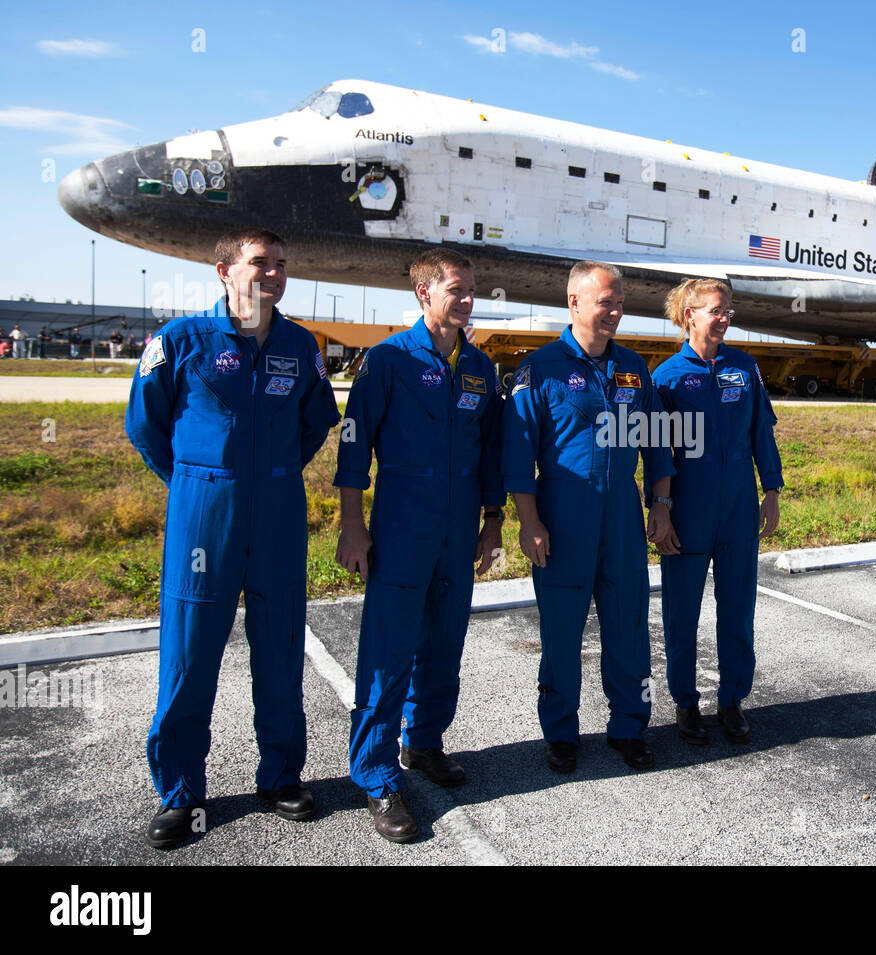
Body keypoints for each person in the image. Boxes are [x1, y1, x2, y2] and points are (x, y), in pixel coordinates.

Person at [125, 227, 340, 850]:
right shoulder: (179, 340)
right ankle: (180, 793)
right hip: (203, 509)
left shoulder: (301, 345)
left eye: (279, 264)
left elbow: (314, 426)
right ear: (224, 271)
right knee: (191, 655)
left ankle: (280, 777)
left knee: (278, 649)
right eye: (257, 263)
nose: (271, 273)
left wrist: (266, 477)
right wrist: (199, 482)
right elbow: (146, 425)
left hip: (276, 507)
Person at [334, 249, 504, 844]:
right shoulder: (386, 361)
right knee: (389, 649)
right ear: (424, 293)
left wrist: (492, 521)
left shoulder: (481, 367)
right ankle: (377, 774)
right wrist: (352, 525)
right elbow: (354, 448)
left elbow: (489, 453)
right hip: (403, 523)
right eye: (455, 289)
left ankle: (425, 742)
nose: (466, 300)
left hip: (459, 528)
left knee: (445, 642)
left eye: (470, 291)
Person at [502, 262, 676, 774]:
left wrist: (660, 504)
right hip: (563, 513)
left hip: (621, 513)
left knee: (628, 626)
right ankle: (561, 732)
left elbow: (656, 443)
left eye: (620, 301)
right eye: (606, 301)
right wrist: (529, 521)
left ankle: (629, 726)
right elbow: (518, 456)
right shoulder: (540, 370)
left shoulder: (634, 368)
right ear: (574, 303)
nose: (616, 310)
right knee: (561, 630)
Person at [652, 279, 783, 745]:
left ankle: (731, 700)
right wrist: (661, 508)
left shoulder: (744, 368)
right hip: (688, 510)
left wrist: (771, 489)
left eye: (729, 310)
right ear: (689, 315)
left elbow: (761, 432)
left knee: (737, 608)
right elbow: (658, 452)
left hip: (738, 509)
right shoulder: (666, 377)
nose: (725, 317)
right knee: (681, 612)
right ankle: (686, 704)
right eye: (715, 310)